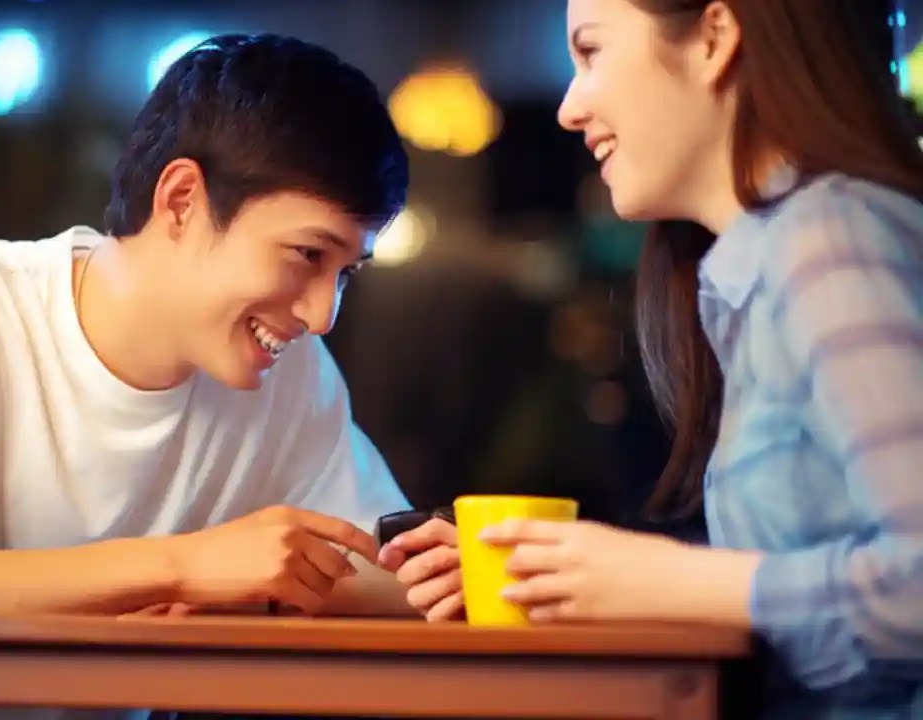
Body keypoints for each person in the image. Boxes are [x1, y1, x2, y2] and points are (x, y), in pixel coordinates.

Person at [0, 33, 413, 720]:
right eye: (306, 254)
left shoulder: (292, 378)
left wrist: (253, 588)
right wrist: (180, 567)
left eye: (346, 273)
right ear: (180, 201)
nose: (323, 314)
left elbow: (398, 590)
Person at [380, 1, 923, 717]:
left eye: (591, 51)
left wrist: (667, 581)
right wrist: (570, 576)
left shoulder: (829, 238)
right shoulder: (754, 268)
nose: (570, 108)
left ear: (715, 38)